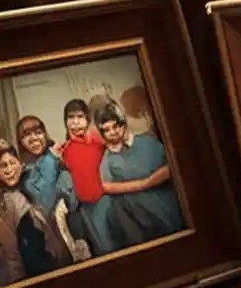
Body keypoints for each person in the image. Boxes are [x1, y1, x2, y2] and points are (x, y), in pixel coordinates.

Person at [96, 104, 185, 245]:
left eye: (116, 126)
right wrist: (146, 183)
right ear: (101, 133)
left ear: (123, 123)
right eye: (106, 130)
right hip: (141, 222)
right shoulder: (107, 160)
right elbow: (105, 186)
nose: (113, 132)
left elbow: (172, 165)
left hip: (169, 208)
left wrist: (157, 177)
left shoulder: (147, 142)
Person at [16, 116, 89, 262]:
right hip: (56, 246)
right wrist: (52, 158)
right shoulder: (25, 175)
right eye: (26, 135)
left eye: (37, 132)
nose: (33, 138)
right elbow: (46, 201)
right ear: (21, 143)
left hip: (82, 234)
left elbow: (75, 198)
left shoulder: (60, 158)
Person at [0, 142, 72, 285]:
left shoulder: (32, 184)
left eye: (12, 163)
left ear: (20, 163)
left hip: (55, 262)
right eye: (2, 166)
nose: (9, 170)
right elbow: (10, 250)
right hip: (27, 275)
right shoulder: (6, 201)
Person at [57, 99, 118, 256]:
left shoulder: (98, 140)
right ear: (65, 122)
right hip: (85, 208)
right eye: (70, 118)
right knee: (103, 250)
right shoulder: (64, 150)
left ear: (87, 119)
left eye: (80, 117)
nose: (75, 122)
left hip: (109, 199)